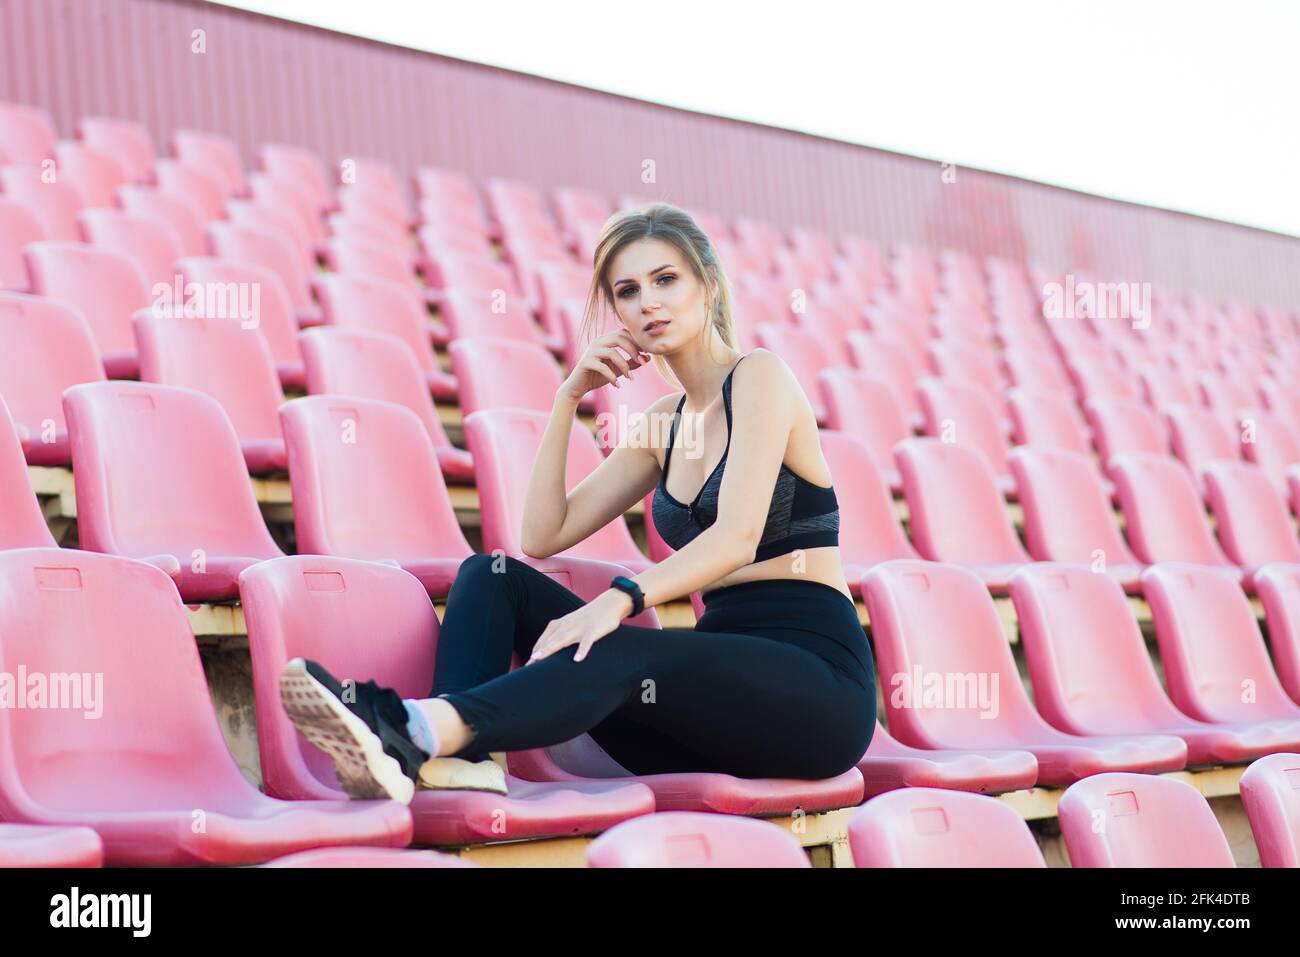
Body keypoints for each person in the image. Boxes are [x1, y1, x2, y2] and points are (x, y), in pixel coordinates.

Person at [279, 202, 877, 804]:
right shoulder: (661, 425)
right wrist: (568, 398)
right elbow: (543, 535)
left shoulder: (760, 377)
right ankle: (462, 759)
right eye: (628, 290)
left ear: (708, 283)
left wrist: (619, 601)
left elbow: (738, 536)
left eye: (666, 279)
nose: (648, 303)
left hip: (813, 691)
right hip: (709, 712)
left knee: (615, 644)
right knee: (492, 576)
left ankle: (410, 729)